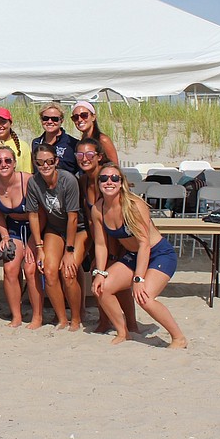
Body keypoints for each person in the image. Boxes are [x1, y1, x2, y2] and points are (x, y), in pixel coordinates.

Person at [90, 163, 187, 349]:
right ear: (98, 182)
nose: (109, 182)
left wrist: (139, 278)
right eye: (104, 178)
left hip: (159, 254)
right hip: (134, 255)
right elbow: (101, 245)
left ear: (121, 183)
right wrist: (100, 272)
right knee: (101, 288)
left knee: (145, 297)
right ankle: (123, 331)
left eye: (114, 178)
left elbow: (144, 244)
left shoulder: (135, 205)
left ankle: (178, 337)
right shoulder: (98, 209)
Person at [76, 140, 137, 335]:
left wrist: (112, 252)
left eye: (89, 155)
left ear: (99, 156)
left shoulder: (107, 177)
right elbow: (92, 218)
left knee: (113, 277)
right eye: (80, 156)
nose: (84, 159)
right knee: (100, 273)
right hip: (101, 236)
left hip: (122, 237)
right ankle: (106, 321)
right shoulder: (84, 180)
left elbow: (121, 215)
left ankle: (131, 323)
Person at [0, 145, 40, 328]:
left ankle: (37, 316)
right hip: (14, 227)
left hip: (35, 227)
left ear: (15, 163)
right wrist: (5, 235)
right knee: (10, 269)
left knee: (31, 269)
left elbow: (42, 214)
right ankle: (17, 315)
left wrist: (34, 241)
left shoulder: (29, 181)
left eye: (7, 160)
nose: (3, 164)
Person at [27, 144, 83, 330]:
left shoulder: (68, 180)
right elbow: (33, 215)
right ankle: (62, 319)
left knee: (68, 272)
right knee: (49, 271)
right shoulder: (34, 183)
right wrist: (39, 247)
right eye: (40, 162)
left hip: (78, 230)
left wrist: (69, 250)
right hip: (54, 228)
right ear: (35, 163)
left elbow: (73, 218)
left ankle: (76, 318)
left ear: (56, 161)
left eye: (49, 161)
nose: (45, 166)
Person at [31, 102, 79, 176]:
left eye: (54, 119)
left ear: (61, 120)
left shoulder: (73, 143)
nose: (49, 122)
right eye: (45, 118)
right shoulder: (36, 143)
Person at [71, 101, 120, 166]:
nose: (79, 120)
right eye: (75, 117)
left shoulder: (103, 139)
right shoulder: (83, 139)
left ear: (93, 117)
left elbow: (115, 166)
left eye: (84, 115)